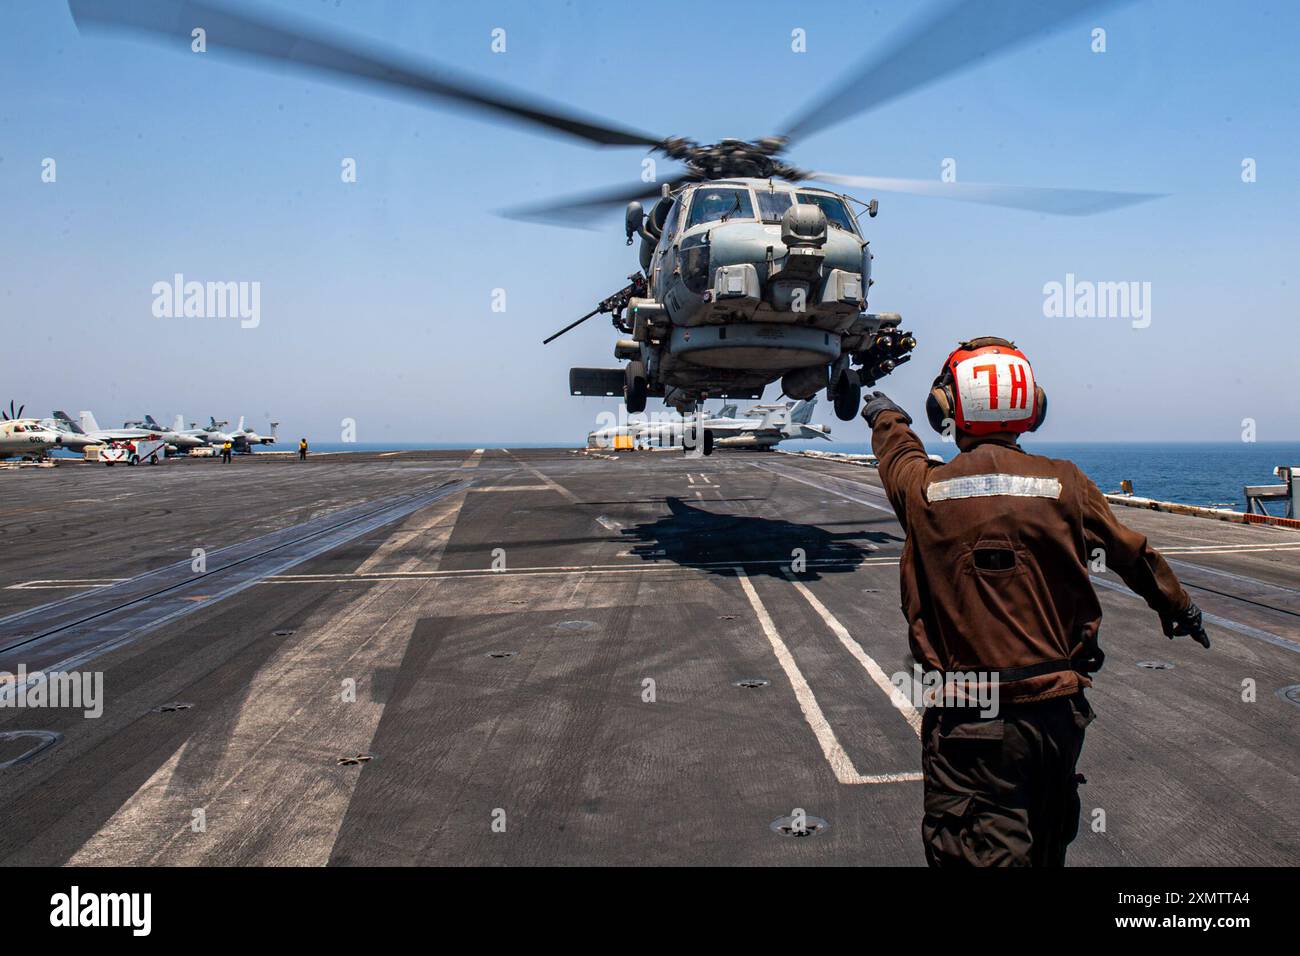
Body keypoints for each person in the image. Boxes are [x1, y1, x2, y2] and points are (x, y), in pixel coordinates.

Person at [861, 336, 1210, 867]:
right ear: (1033, 407)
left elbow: (898, 454)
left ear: (946, 410)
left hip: (972, 725)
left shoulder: (926, 492)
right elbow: (1132, 553)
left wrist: (885, 414)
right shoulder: (1065, 484)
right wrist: (1179, 608)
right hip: (1057, 719)